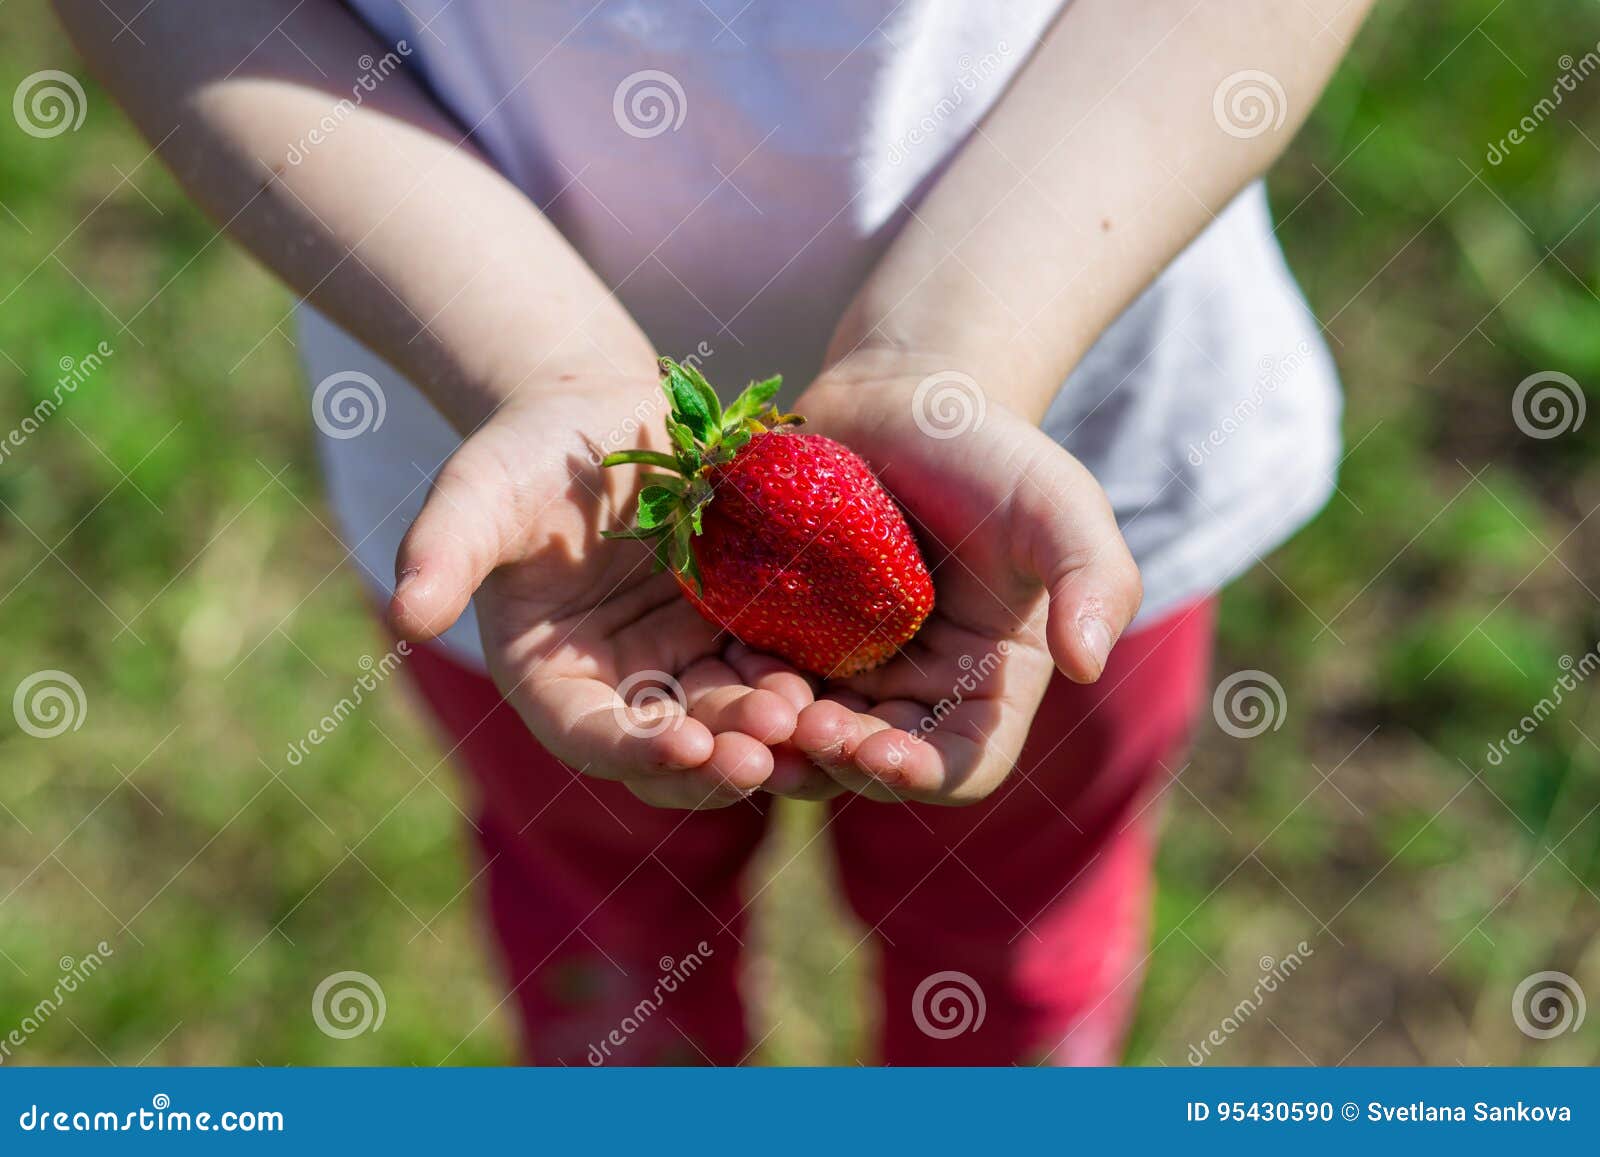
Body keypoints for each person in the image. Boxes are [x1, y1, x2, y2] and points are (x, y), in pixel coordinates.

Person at [56, 0, 1373, 1064]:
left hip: (1056, 445)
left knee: (1011, 932)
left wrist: (958, 354)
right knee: (606, 939)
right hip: (536, 507)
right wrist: (541, 370)